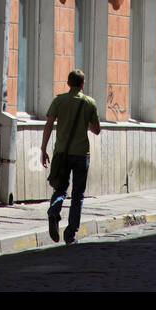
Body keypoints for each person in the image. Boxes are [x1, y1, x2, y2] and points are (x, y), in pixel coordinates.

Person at [40, 69, 101, 245]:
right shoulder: (89, 103)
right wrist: (85, 122)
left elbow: (49, 125)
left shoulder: (59, 100)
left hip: (62, 153)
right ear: (83, 84)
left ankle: (54, 211)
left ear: (68, 83)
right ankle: (70, 234)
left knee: (60, 189)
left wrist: (43, 149)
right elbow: (96, 130)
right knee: (78, 195)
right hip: (81, 154)